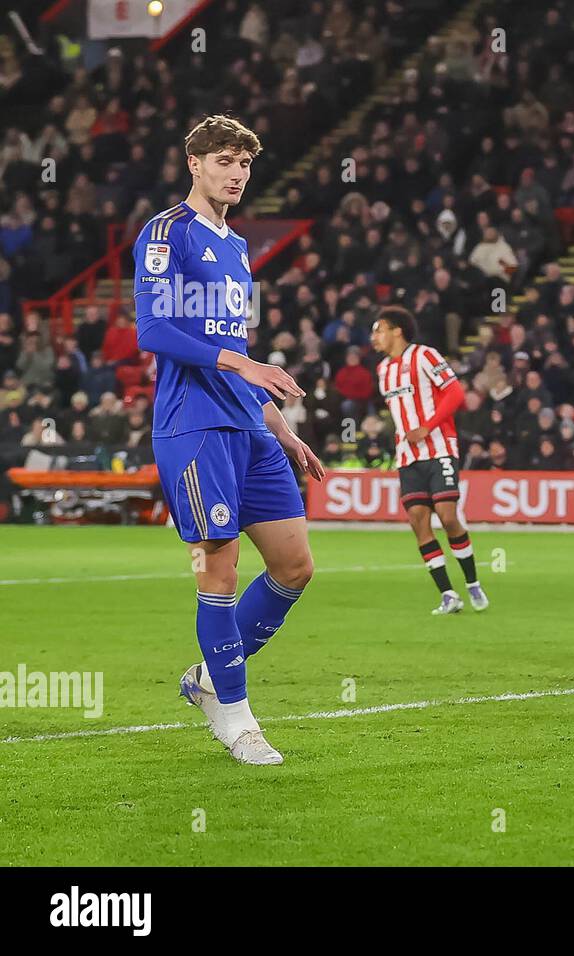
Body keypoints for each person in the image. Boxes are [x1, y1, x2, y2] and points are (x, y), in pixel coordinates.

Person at [136, 115, 324, 766]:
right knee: (219, 566)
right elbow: (155, 331)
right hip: (192, 425)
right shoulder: (167, 233)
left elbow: (237, 346)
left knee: (295, 564)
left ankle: (211, 680)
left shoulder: (239, 248)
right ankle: (239, 722)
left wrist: (281, 426)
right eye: (223, 161)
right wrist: (243, 366)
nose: (236, 173)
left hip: (249, 426)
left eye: (244, 164)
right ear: (194, 163)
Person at [371, 305, 487, 614]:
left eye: (379, 329)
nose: (375, 336)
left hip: (439, 449)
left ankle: (473, 582)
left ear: (397, 330)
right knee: (418, 521)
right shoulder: (383, 370)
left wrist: (427, 427)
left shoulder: (425, 356)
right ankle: (448, 594)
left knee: (448, 516)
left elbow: (456, 394)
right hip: (407, 456)